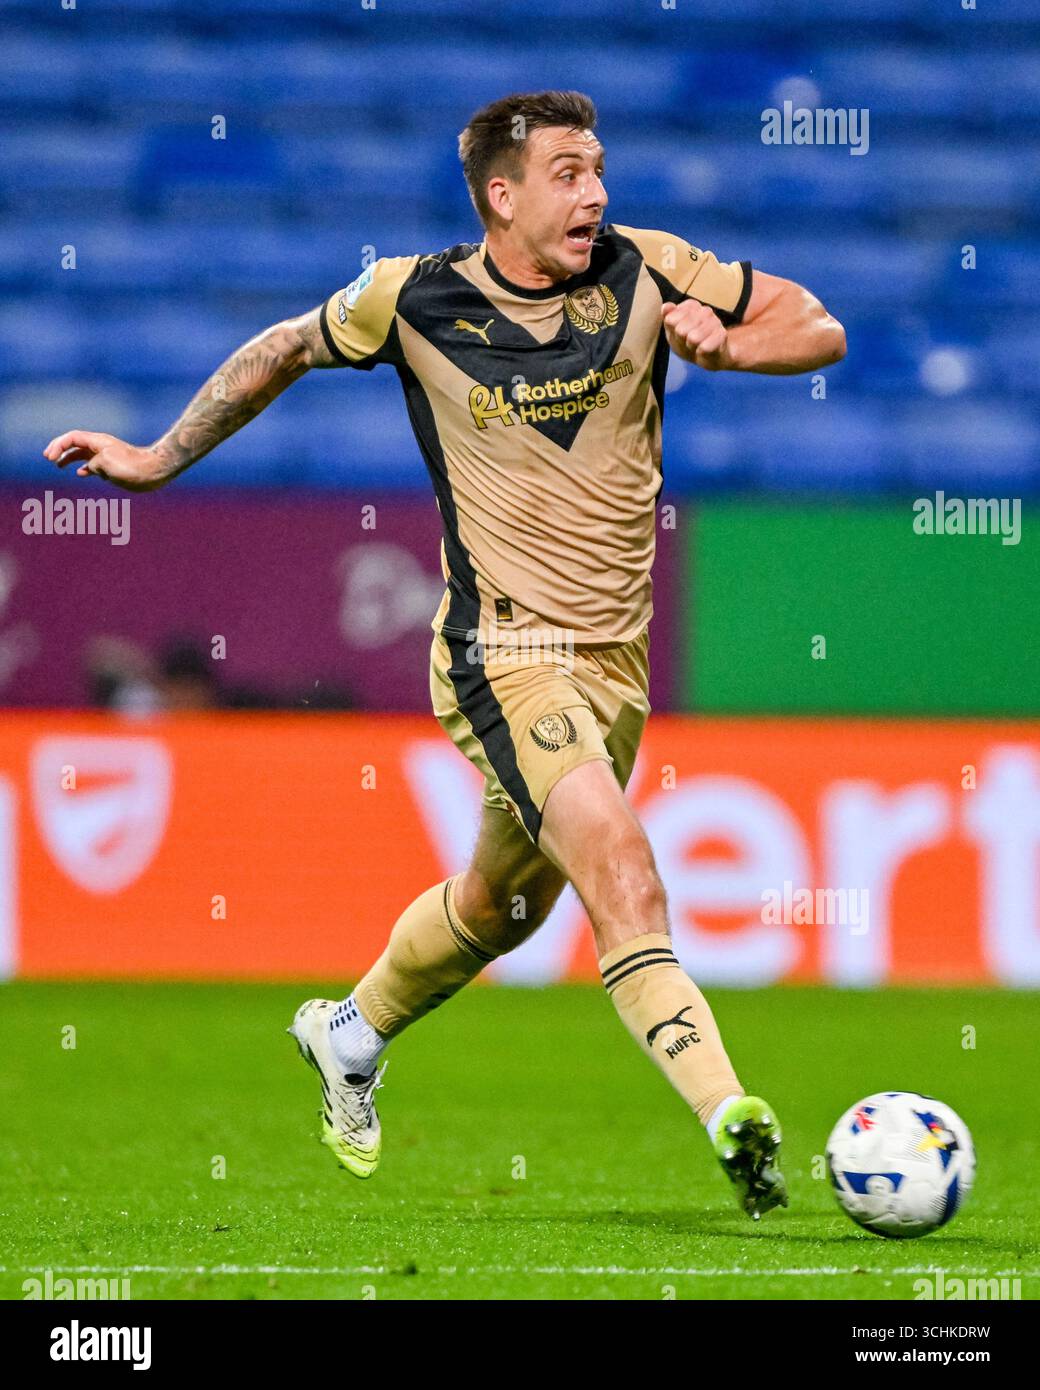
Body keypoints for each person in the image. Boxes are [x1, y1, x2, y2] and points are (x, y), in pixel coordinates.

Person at [44, 90, 845, 1219]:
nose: (596, 192)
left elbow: (818, 325)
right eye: (568, 172)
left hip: (614, 664)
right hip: (499, 649)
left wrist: (732, 344)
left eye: (600, 167)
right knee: (620, 867)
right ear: (500, 194)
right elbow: (280, 351)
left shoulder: (647, 266)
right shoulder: (407, 298)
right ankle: (731, 1116)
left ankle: (350, 1032)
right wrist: (155, 458)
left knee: (498, 908)